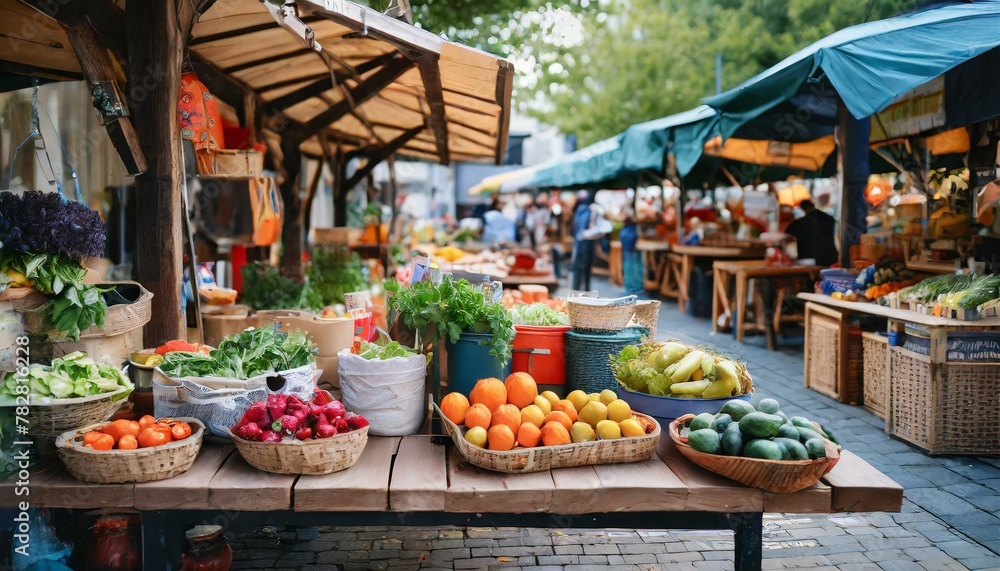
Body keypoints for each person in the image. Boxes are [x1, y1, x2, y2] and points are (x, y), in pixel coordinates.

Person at [571, 191, 609, 291]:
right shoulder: (585, 209)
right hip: (584, 242)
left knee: (583, 268)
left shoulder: (585, 209)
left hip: (584, 241)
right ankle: (580, 291)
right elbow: (583, 229)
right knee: (582, 268)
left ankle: (581, 290)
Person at [784, 199, 839, 266]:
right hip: (831, 258)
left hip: (810, 260)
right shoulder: (828, 218)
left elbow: (787, 235)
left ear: (803, 208)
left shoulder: (801, 223)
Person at [619, 211, 643, 295]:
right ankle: (635, 287)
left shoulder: (624, 231)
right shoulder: (632, 229)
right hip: (632, 247)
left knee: (631, 265)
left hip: (629, 248)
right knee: (633, 265)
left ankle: (632, 287)